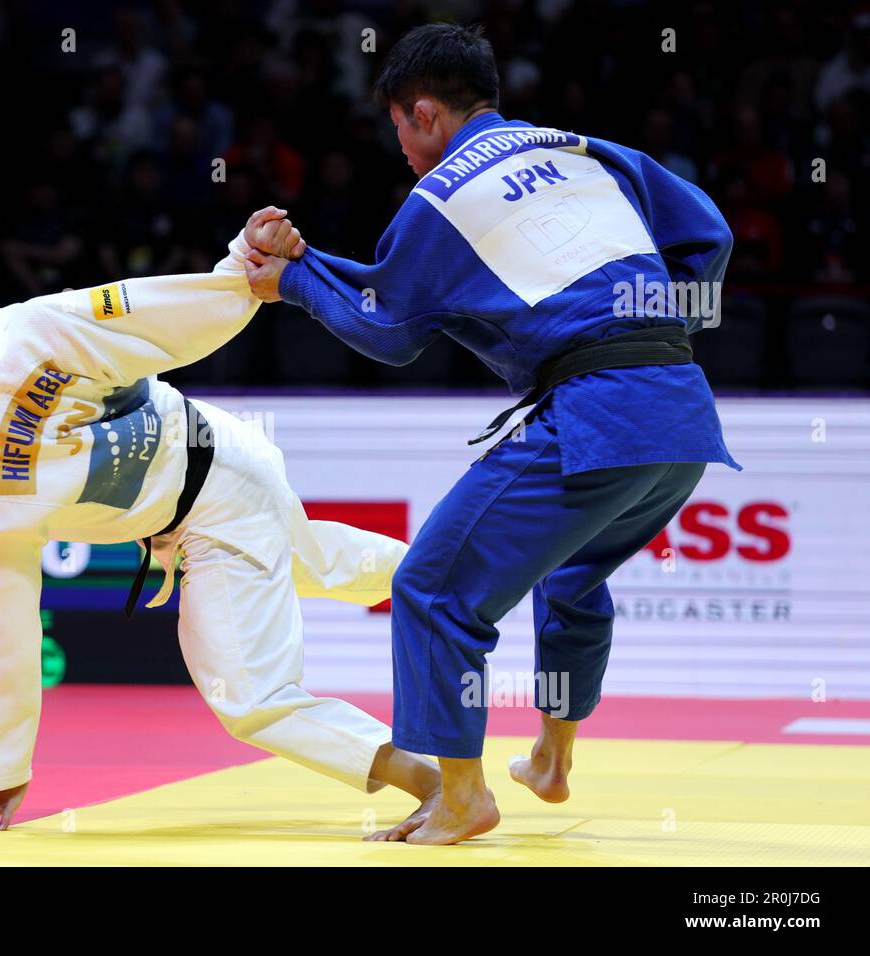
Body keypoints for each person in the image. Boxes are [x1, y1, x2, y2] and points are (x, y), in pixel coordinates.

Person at [243, 24, 741, 845]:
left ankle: (465, 797)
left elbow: (389, 329)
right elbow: (708, 235)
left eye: (398, 126)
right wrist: (655, 323)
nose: (400, 146)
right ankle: (550, 757)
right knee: (572, 575)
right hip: (682, 408)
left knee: (432, 590)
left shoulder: (438, 199)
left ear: (426, 112)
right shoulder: (585, 149)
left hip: (598, 415)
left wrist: (294, 281)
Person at [0, 208, 440, 833]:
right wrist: (241, 265)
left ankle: (436, 780)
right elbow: (150, 313)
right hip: (230, 448)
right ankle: (470, 574)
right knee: (311, 562)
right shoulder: (28, 329)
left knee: (250, 697)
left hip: (212, 516)